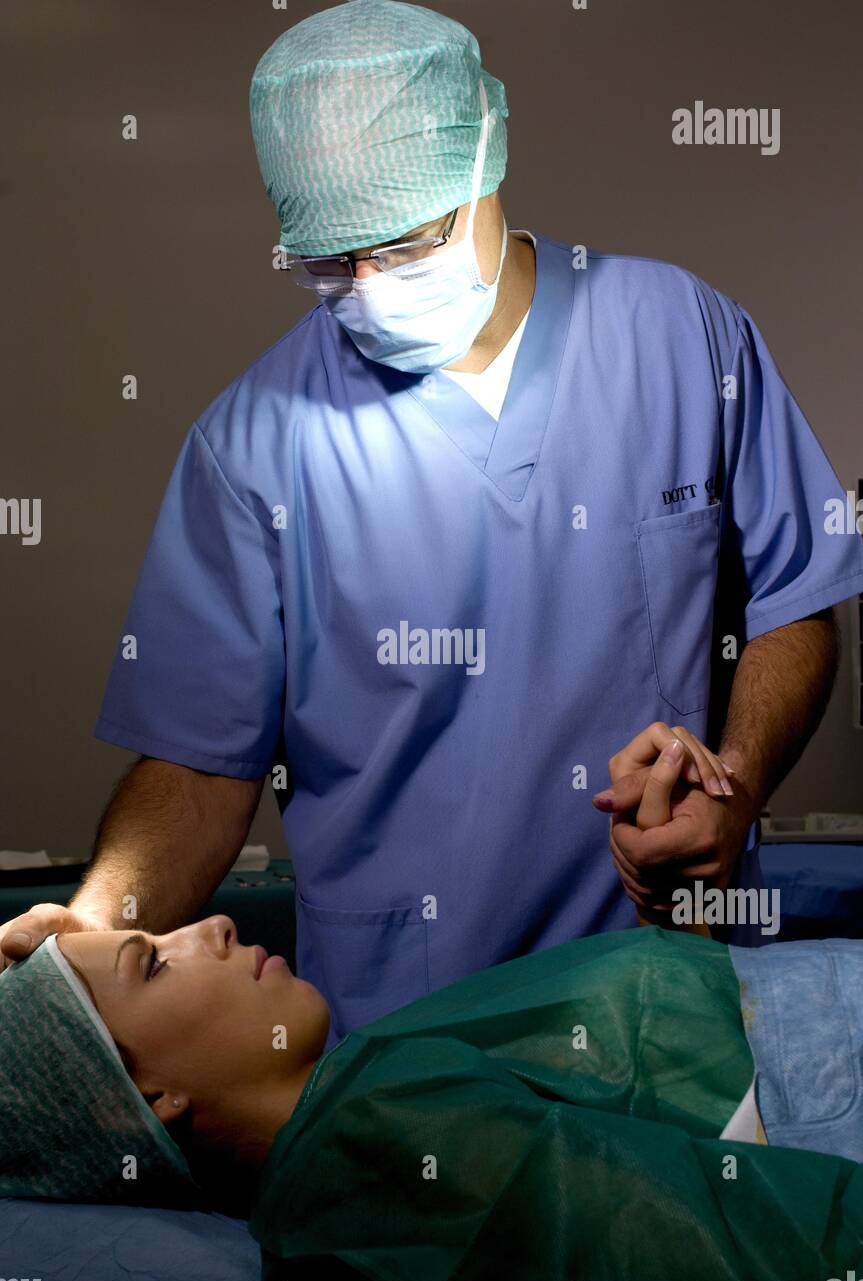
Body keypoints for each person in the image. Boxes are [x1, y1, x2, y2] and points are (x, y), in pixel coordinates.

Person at [3, 1, 862, 1047]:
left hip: (667, 999)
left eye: (402, 245)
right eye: (329, 263)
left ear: (486, 155)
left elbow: (795, 601)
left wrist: (733, 779)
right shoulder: (250, 448)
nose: (367, 289)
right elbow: (196, 769)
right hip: (405, 1038)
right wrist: (98, 929)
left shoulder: (679, 335)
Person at [2, 749, 862, 1281]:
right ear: (145, 1103)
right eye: (151, 962)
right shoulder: (368, 1140)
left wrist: (672, 924)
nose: (214, 926)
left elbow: (653, 1117)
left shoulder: (372, 1091)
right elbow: (732, 1252)